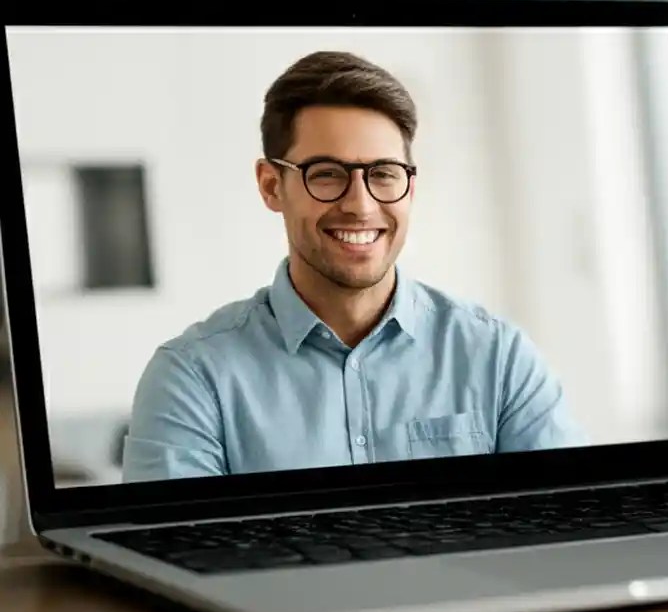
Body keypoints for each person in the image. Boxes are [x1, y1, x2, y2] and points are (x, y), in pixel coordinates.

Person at [121, 51, 587, 482]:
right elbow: (166, 559)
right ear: (271, 186)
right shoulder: (192, 378)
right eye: (326, 173)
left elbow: (568, 533)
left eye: (384, 174)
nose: (361, 206)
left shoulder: (498, 357)